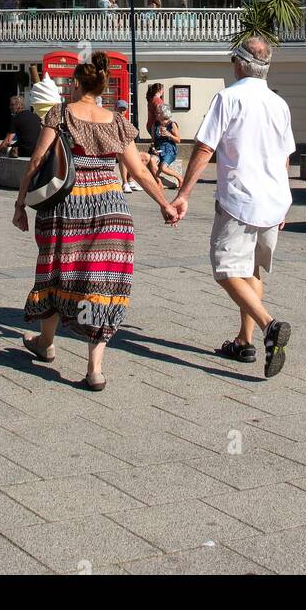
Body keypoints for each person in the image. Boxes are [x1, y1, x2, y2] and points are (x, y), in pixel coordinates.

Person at [12, 52, 175, 391]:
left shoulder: (60, 113)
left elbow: (38, 159)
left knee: (58, 272)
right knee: (103, 283)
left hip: (68, 206)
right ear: (101, 86)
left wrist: (20, 202)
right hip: (111, 209)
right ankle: (94, 369)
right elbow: (141, 171)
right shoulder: (116, 121)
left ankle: (46, 342)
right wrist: (164, 203)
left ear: (75, 84)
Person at [172, 37, 296, 378]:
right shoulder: (279, 104)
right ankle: (245, 341)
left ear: (239, 63)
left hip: (240, 200)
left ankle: (269, 326)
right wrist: (283, 201)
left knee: (226, 269)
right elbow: (285, 158)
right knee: (251, 271)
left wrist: (183, 193)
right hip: (273, 201)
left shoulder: (228, 98)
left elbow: (204, 148)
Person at [145, 82, 183, 189]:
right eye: (156, 113)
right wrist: (153, 149)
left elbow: (178, 140)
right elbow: (153, 140)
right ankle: (159, 182)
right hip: (158, 150)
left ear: (164, 113)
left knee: (163, 167)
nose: (155, 115)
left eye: (158, 113)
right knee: (151, 160)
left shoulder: (172, 124)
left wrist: (168, 134)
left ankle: (179, 178)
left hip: (169, 150)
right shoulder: (155, 125)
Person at [114, 98, 140, 192]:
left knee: (144, 157)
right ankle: (124, 183)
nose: (121, 111)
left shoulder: (126, 121)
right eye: (120, 108)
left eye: (123, 109)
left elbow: (132, 135)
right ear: (115, 108)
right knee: (123, 157)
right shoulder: (112, 120)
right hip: (114, 148)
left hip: (124, 147)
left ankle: (130, 181)